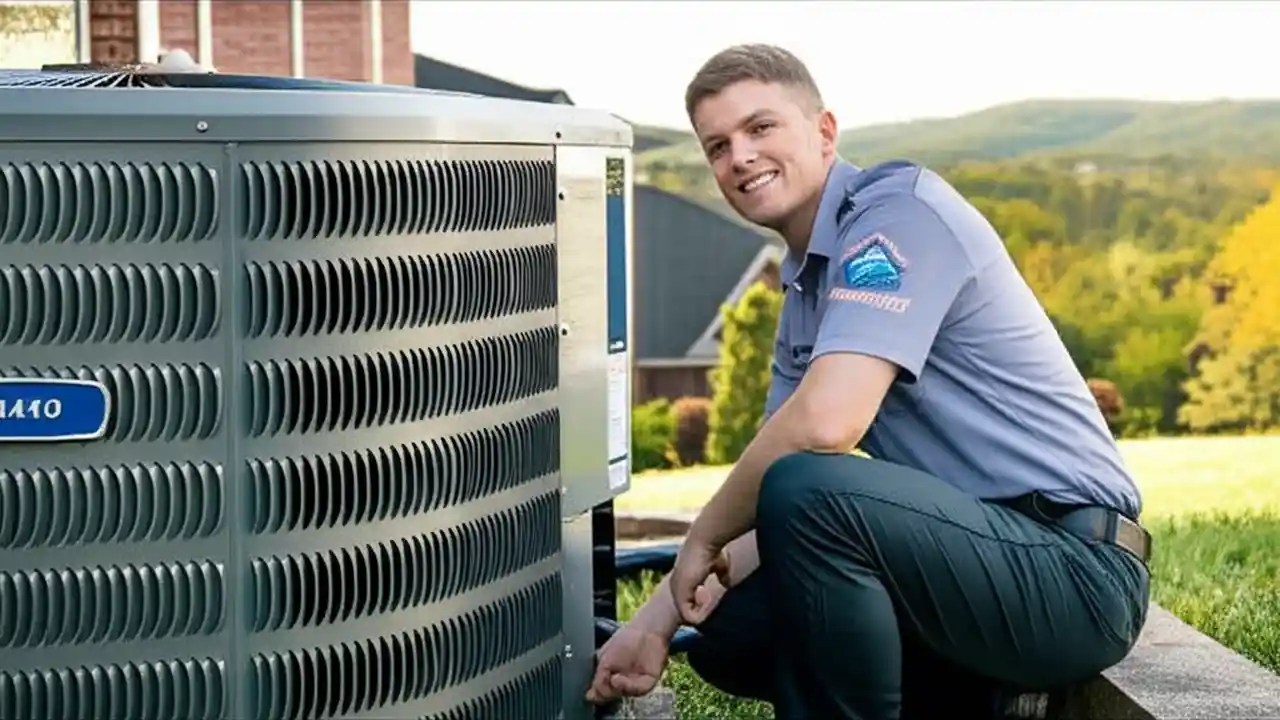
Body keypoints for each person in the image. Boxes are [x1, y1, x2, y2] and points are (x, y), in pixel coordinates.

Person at [586, 43, 1152, 719]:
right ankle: (977, 699)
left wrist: (701, 537)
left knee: (808, 486)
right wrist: (652, 623)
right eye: (717, 146)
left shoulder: (897, 217)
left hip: (1072, 569)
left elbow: (825, 429)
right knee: (731, 631)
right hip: (974, 555)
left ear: (824, 132)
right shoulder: (807, 290)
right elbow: (769, 505)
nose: (739, 157)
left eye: (760, 128)